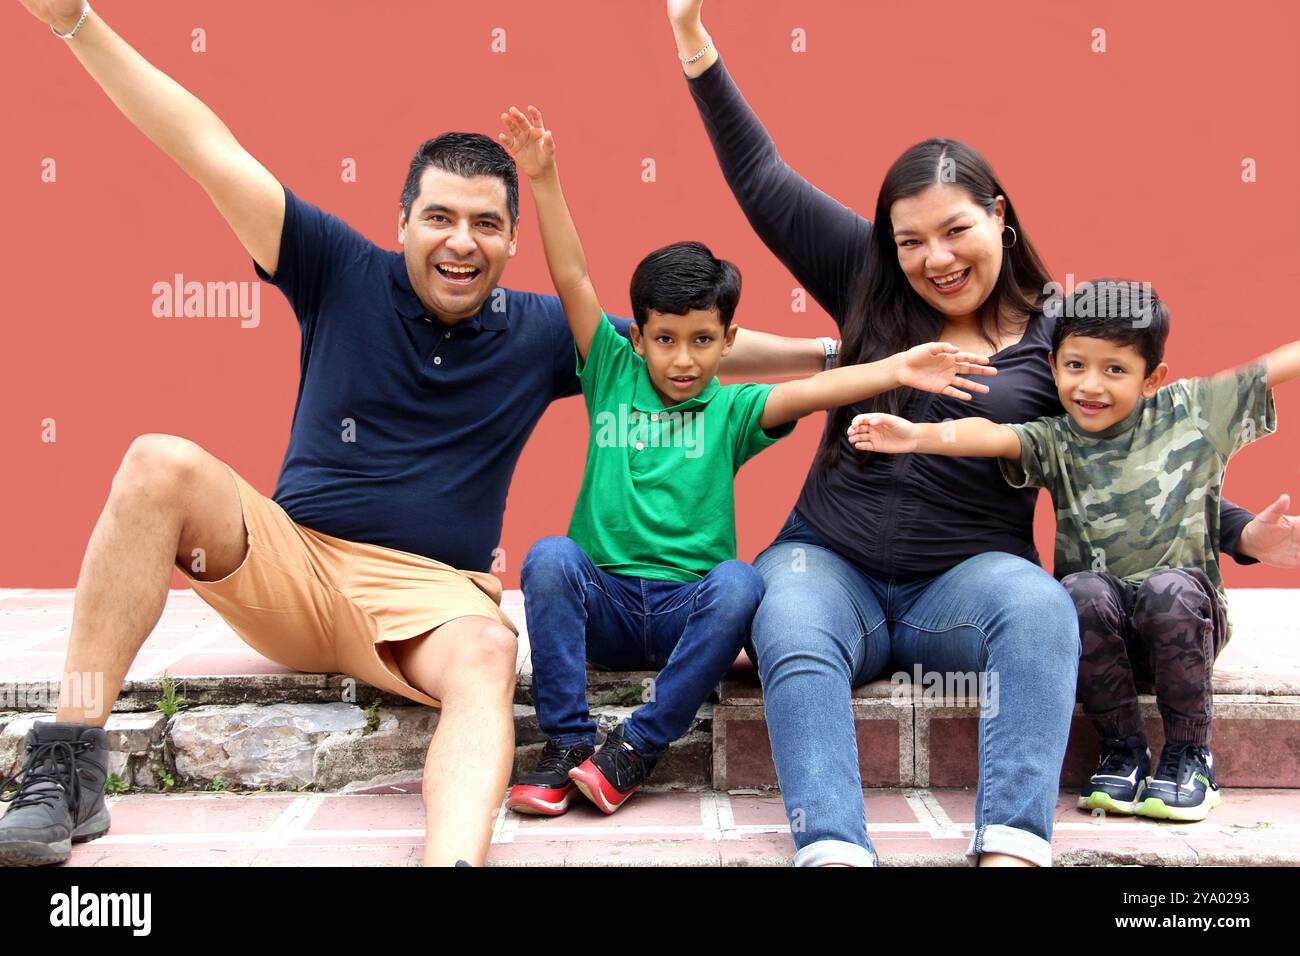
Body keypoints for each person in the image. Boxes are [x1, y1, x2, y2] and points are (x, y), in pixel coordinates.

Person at [0, 0, 827, 868]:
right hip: (295, 564)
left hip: (434, 603)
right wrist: (77, 23)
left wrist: (834, 350)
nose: (461, 242)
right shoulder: (336, 267)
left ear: (512, 240)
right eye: (440, 218)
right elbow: (207, 149)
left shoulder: (541, 329)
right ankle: (65, 769)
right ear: (402, 223)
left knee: (487, 652)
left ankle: (452, 863)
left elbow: (681, 343)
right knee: (156, 462)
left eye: (486, 224)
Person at [663, 0, 1300, 866]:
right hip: (828, 558)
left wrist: (1245, 540)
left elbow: (1133, 456)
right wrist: (694, 39)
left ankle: (1010, 843)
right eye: (912, 240)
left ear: (999, 215)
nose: (937, 259)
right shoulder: (864, 278)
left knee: (1040, 606)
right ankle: (834, 848)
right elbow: (763, 178)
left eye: (957, 230)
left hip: (962, 586)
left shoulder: (1060, 338)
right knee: (792, 620)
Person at [495, 106, 995, 816]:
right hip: (603, 599)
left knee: (741, 582)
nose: (682, 358)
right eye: (665, 340)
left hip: (684, 612)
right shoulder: (607, 368)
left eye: (702, 341)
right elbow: (572, 274)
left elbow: (819, 390)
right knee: (548, 557)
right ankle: (569, 743)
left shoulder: (732, 410)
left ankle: (636, 747)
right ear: (638, 338)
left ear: (729, 342)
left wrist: (898, 368)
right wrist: (542, 177)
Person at [848, 280, 1290, 822]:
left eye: (1115, 371)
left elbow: (1272, 367)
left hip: (1184, 621)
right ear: (1054, 365)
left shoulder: (1191, 410)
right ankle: (1122, 749)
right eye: (1075, 366)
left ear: (1152, 378)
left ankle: (1189, 754)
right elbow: (992, 436)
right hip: (1102, 632)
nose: (1091, 386)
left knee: (1166, 588)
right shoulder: (1057, 438)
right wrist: (916, 435)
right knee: (1076, 591)